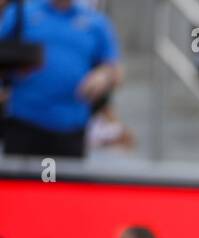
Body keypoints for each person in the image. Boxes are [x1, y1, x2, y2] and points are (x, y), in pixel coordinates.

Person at [0, 0, 121, 159]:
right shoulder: (21, 12)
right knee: (30, 183)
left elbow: (114, 68)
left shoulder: (95, 21)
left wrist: (103, 75)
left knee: (60, 182)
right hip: (24, 123)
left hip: (71, 128)